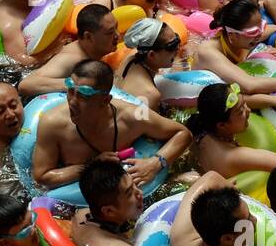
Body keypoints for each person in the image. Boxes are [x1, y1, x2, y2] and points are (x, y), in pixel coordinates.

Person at [30, 59, 191, 192]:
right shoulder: (52, 124)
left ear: (105, 100)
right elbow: (41, 176)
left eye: (84, 96)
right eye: (71, 91)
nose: (72, 101)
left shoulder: (132, 117)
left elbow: (183, 133)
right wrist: (91, 166)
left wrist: (155, 164)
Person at [189, 81, 276, 175]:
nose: (248, 110)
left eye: (244, 104)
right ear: (222, 125)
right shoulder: (235, 156)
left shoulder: (201, 126)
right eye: (240, 112)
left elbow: (240, 102)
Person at [70, 155, 161, 246]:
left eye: (134, 184)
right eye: (129, 193)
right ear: (109, 211)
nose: (140, 193)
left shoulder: (82, 214)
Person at [17, 3, 119, 97]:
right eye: (110, 33)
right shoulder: (71, 59)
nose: (117, 35)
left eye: (116, 28)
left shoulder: (89, 50)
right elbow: (26, 85)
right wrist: (76, 84)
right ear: (88, 37)